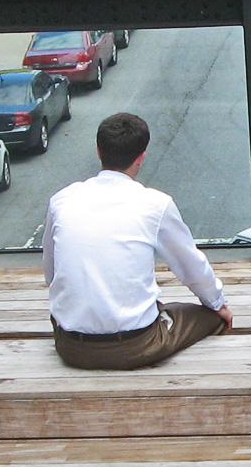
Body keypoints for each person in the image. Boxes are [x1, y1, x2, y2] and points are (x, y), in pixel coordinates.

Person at [42, 112, 233, 371]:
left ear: (99, 151)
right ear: (142, 157)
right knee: (208, 316)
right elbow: (191, 268)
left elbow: (51, 273)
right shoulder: (155, 204)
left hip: (71, 347)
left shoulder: (61, 200)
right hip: (136, 346)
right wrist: (218, 305)